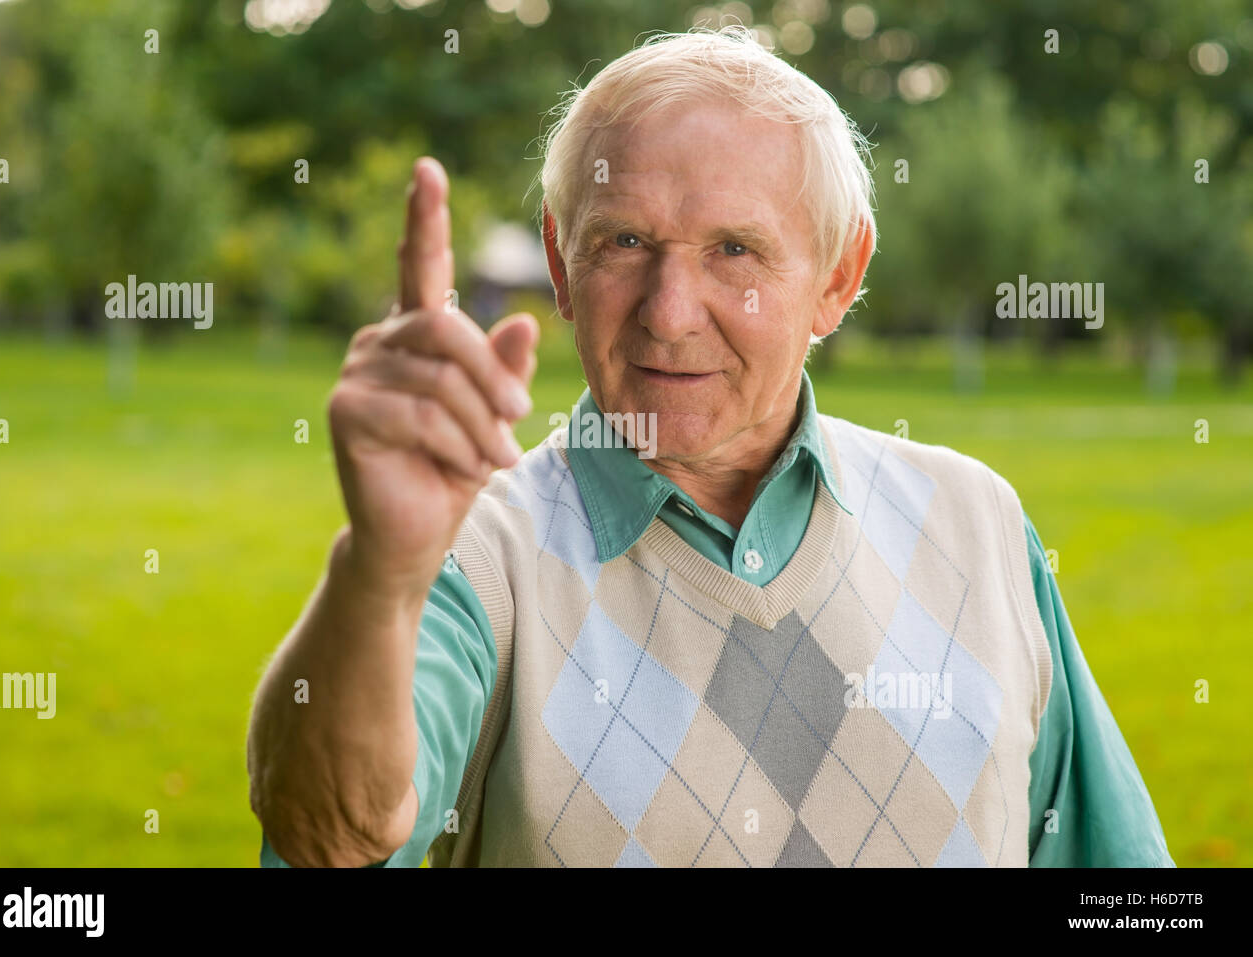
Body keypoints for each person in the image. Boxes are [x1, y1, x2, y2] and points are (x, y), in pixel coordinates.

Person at [246, 26, 1172, 868]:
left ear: (837, 279)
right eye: (625, 241)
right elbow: (330, 834)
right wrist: (378, 571)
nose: (670, 312)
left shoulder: (981, 523)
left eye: (733, 249)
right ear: (563, 265)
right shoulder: (475, 557)